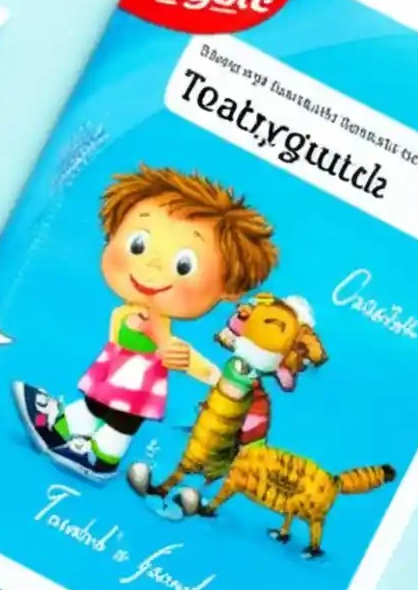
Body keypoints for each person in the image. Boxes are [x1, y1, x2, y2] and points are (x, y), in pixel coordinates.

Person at [14, 166, 279, 480]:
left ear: (228, 290)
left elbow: (179, 354)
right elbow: (118, 332)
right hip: (114, 376)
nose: (151, 265)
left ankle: (102, 457)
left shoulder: (162, 330)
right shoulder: (127, 314)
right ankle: (61, 430)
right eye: (138, 244)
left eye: (184, 265)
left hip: (139, 384)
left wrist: (218, 380)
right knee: (95, 406)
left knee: (119, 420)